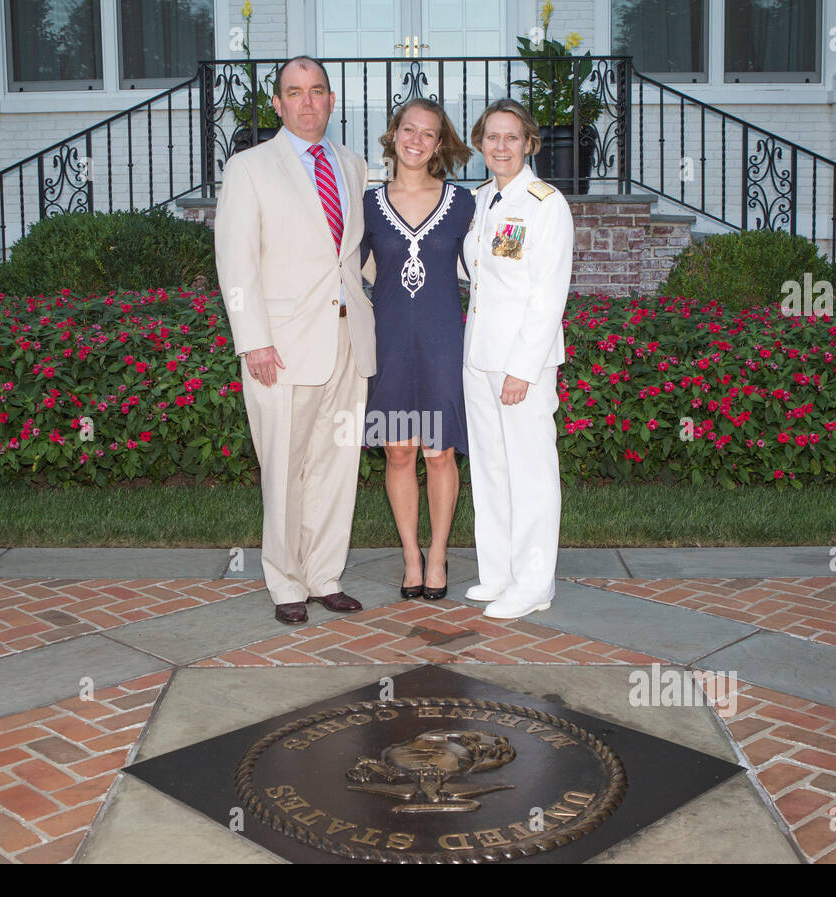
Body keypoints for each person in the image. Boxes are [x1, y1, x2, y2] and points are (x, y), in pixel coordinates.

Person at [215, 56, 376, 625]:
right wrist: (252, 340)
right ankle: (285, 584)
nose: (308, 102)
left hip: (348, 343)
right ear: (278, 105)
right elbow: (236, 265)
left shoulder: (353, 165)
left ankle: (324, 575)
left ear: (331, 101)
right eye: (295, 92)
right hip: (280, 348)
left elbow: (357, 257)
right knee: (283, 468)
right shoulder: (250, 168)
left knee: (336, 466)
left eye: (317, 91)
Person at [461, 99, 573, 620]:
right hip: (479, 353)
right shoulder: (481, 198)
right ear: (480, 143)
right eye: (490, 137)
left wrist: (522, 370)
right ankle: (500, 572)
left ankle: (533, 583)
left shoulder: (544, 203)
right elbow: (476, 274)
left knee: (529, 471)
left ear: (530, 142)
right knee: (489, 468)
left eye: (511, 137)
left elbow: (548, 295)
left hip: (519, 363)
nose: (499, 147)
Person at [361, 99, 474, 601]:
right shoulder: (367, 203)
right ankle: (411, 555)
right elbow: (349, 268)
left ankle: (440, 553)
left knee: (439, 452)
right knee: (400, 451)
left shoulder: (464, 203)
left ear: (440, 144)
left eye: (429, 134)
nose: (417, 140)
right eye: (410, 129)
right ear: (394, 133)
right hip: (389, 344)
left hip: (442, 342)